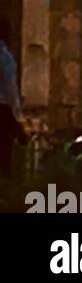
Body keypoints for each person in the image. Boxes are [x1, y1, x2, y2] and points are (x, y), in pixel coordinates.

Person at [0, 16, 27, 178]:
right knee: (4, 148)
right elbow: (11, 89)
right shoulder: (5, 57)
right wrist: (18, 117)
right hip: (2, 108)